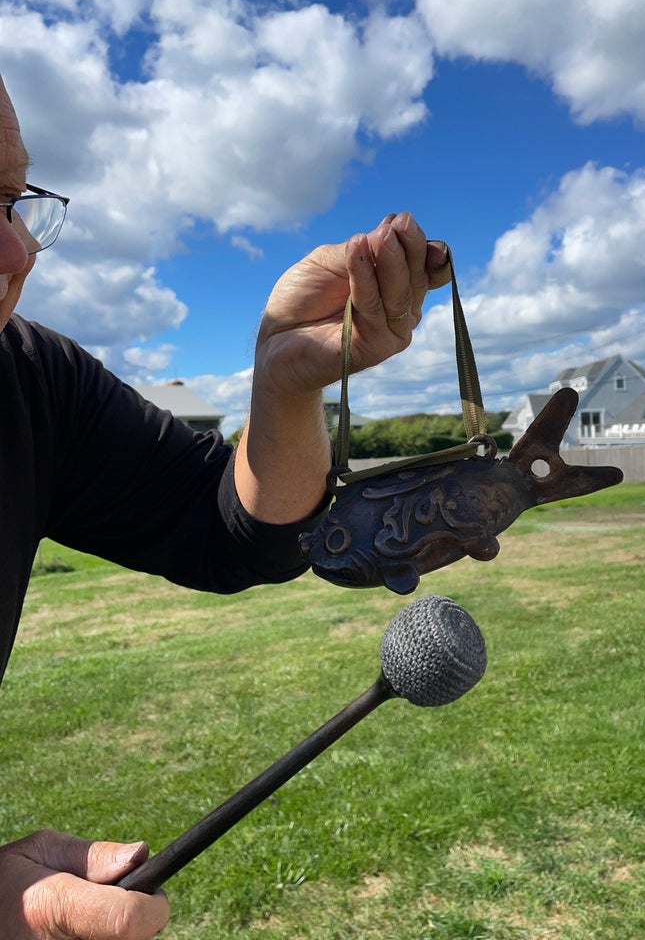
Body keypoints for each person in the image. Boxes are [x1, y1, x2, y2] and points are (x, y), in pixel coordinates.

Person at [0, 73, 452, 939]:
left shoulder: (30, 385)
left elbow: (226, 530)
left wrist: (283, 381)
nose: (17, 253)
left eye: (13, 202)